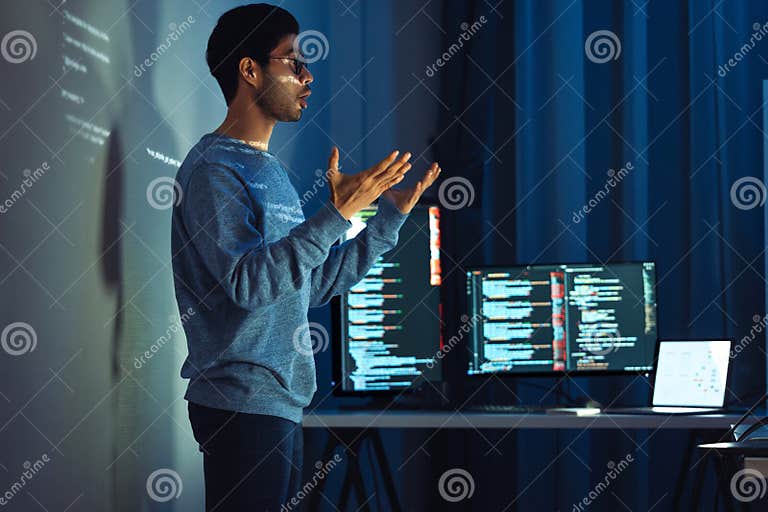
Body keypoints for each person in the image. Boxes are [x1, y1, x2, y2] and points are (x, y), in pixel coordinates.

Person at [170, 4, 441, 510]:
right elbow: (248, 285)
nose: (307, 74)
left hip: (279, 404)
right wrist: (335, 215)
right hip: (240, 404)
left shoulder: (268, 171)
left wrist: (388, 220)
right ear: (249, 70)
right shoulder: (213, 170)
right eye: (292, 62)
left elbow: (307, 286)